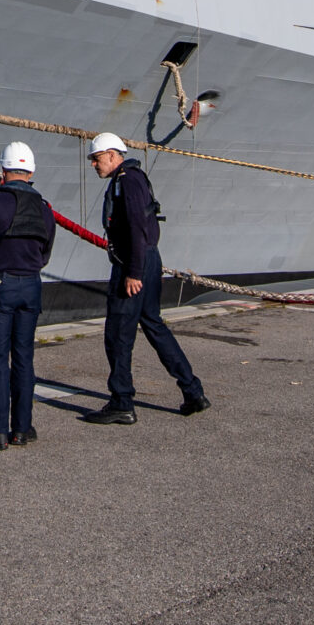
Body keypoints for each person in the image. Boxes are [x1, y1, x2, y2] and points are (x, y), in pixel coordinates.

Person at [83, 132, 208, 423]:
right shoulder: (131, 179)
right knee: (154, 326)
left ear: (113, 156)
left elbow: (137, 228)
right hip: (146, 259)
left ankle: (122, 401)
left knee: (118, 334)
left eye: (97, 159)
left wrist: (133, 273)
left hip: (134, 263)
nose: (94, 165)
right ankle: (192, 391)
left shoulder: (127, 181)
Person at [0, 141, 54, 450]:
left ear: (2, 171)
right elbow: (45, 253)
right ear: (31, 172)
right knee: (24, 358)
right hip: (31, 285)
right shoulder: (45, 209)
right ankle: (22, 428)